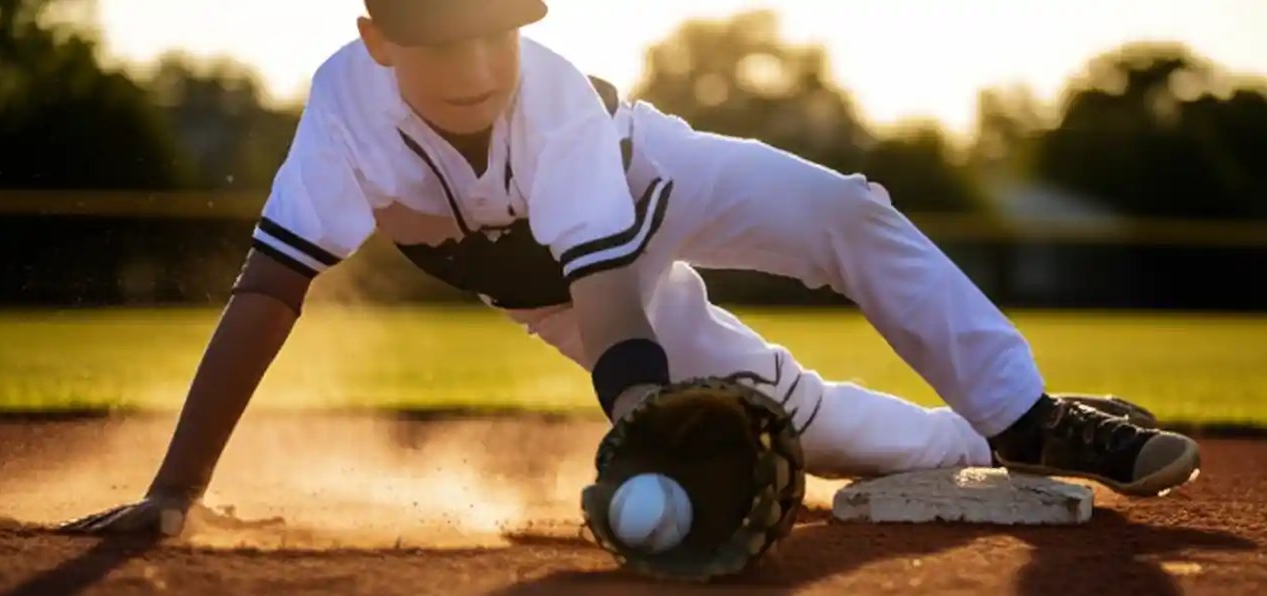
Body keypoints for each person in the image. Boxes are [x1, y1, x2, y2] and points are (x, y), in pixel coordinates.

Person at [59, 0, 1200, 536]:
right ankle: (962, 445)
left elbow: (618, 298)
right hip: (551, 293)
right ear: (375, 39)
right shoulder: (344, 111)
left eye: (491, 27)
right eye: (438, 34)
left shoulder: (546, 97)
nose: (472, 60)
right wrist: (175, 491)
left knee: (844, 212)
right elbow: (268, 291)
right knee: (791, 417)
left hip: (657, 176)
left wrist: (641, 412)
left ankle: (1025, 417)